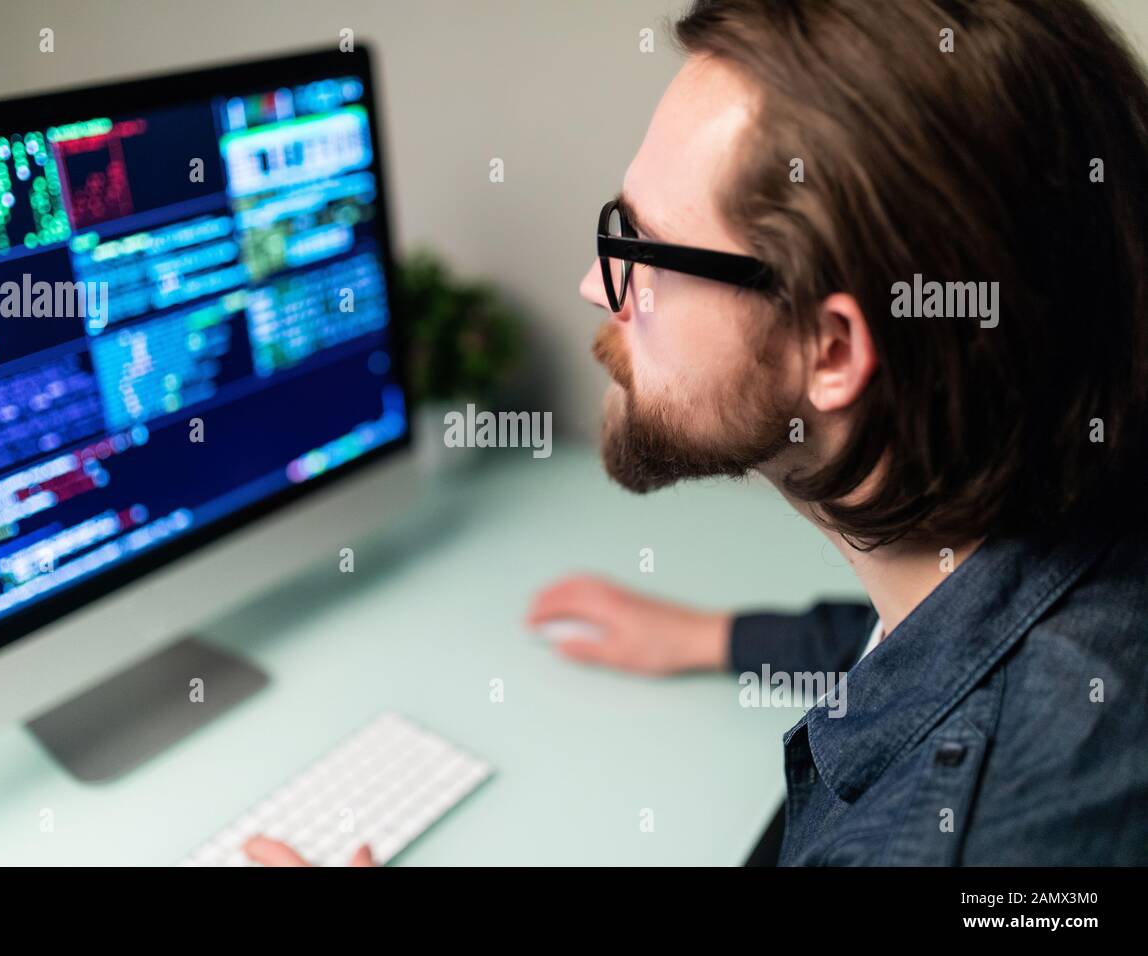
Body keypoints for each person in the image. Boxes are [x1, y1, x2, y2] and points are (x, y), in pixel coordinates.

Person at [249, 0, 1148, 866]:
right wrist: (715, 638)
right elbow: (939, 637)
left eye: (638, 253)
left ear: (831, 351)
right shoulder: (1068, 527)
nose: (598, 291)